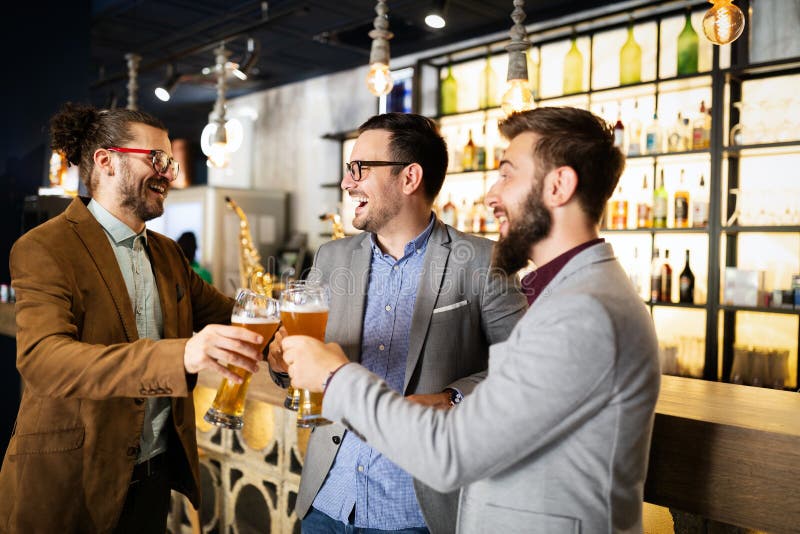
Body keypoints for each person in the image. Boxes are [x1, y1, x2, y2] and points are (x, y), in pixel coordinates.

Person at [282, 107, 662, 533]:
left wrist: (335, 378)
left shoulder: (583, 311)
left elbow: (453, 452)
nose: (491, 194)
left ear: (558, 185)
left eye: (507, 174)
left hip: (417, 508)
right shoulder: (570, 294)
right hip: (331, 499)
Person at [0, 103, 264, 533]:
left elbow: (236, 316)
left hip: (151, 482)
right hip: (70, 486)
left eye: (171, 162)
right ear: (106, 161)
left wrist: (286, 333)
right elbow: (44, 360)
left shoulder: (168, 254)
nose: (169, 174)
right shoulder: (44, 248)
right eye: (157, 160)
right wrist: (179, 356)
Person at [267, 112, 527, 533]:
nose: (347, 183)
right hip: (328, 499)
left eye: (358, 169)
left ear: (409, 178)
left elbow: (524, 368)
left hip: (417, 509)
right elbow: (296, 358)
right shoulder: (332, 259)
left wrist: (453, 397)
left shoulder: (483, 261)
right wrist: (280, 360)